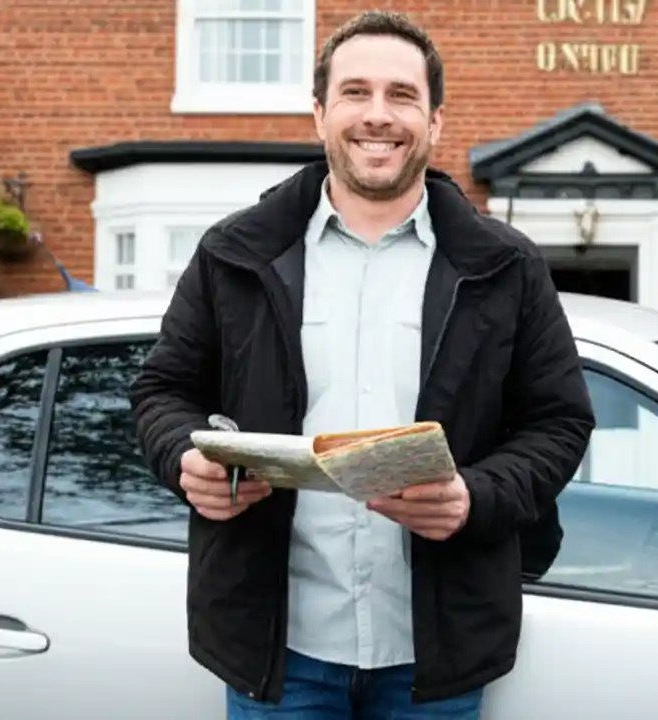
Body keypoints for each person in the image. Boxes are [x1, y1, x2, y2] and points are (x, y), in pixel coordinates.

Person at [128, 9, 595, 720]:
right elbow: (163, 390)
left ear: (436, 122)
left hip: (434, 660)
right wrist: (182, 462)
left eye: (402, 96)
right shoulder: (233, 253)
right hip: (278, 654)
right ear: (319, 113)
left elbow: (559, 422)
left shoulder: (508, 267)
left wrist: (476, 496)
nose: (378, 116)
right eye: (355, 92)